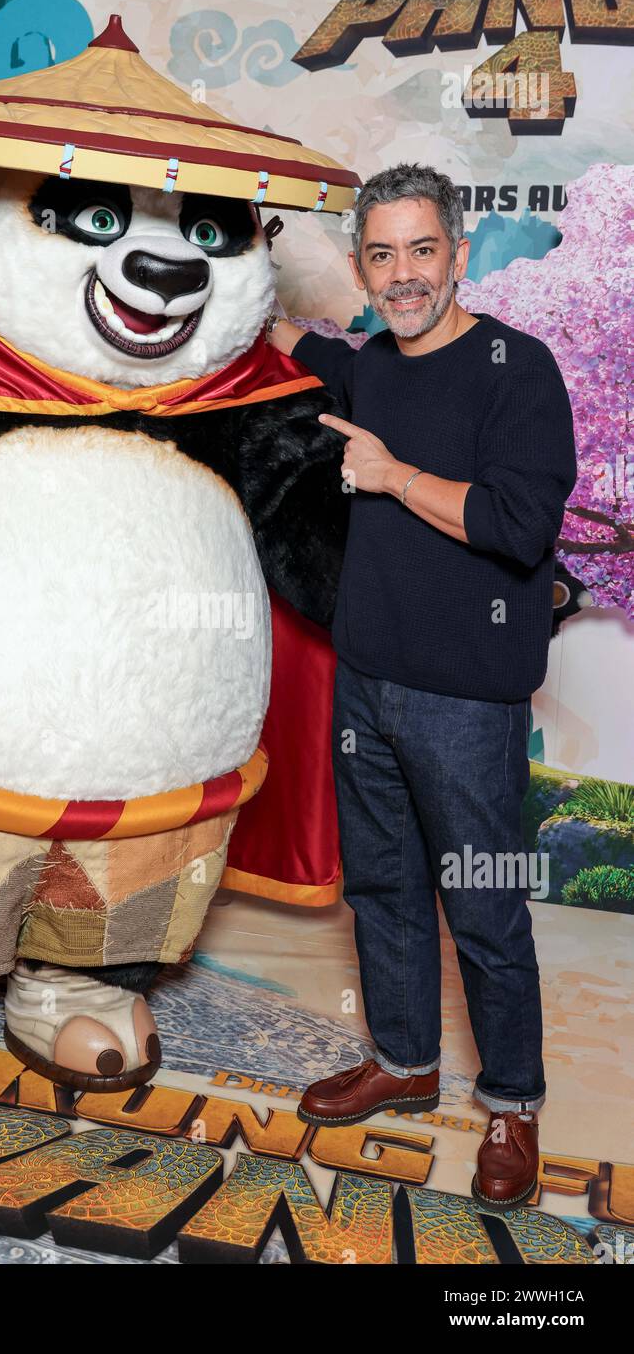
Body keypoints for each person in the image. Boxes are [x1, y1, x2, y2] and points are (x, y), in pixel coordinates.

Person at [267, 162, 577, 1209]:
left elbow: (517, 526)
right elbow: (287, 344)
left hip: (468, 705)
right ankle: (403, 1061)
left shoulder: (516, 370)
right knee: (385, 892)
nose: (403, 276)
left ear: (461, 251)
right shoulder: (369, 369)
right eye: (382, 254)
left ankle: (515, 1103)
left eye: (422, 250)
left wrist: (393, 474)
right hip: (367, 685)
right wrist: (231, 253)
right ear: (361, 264)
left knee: (484, 911)